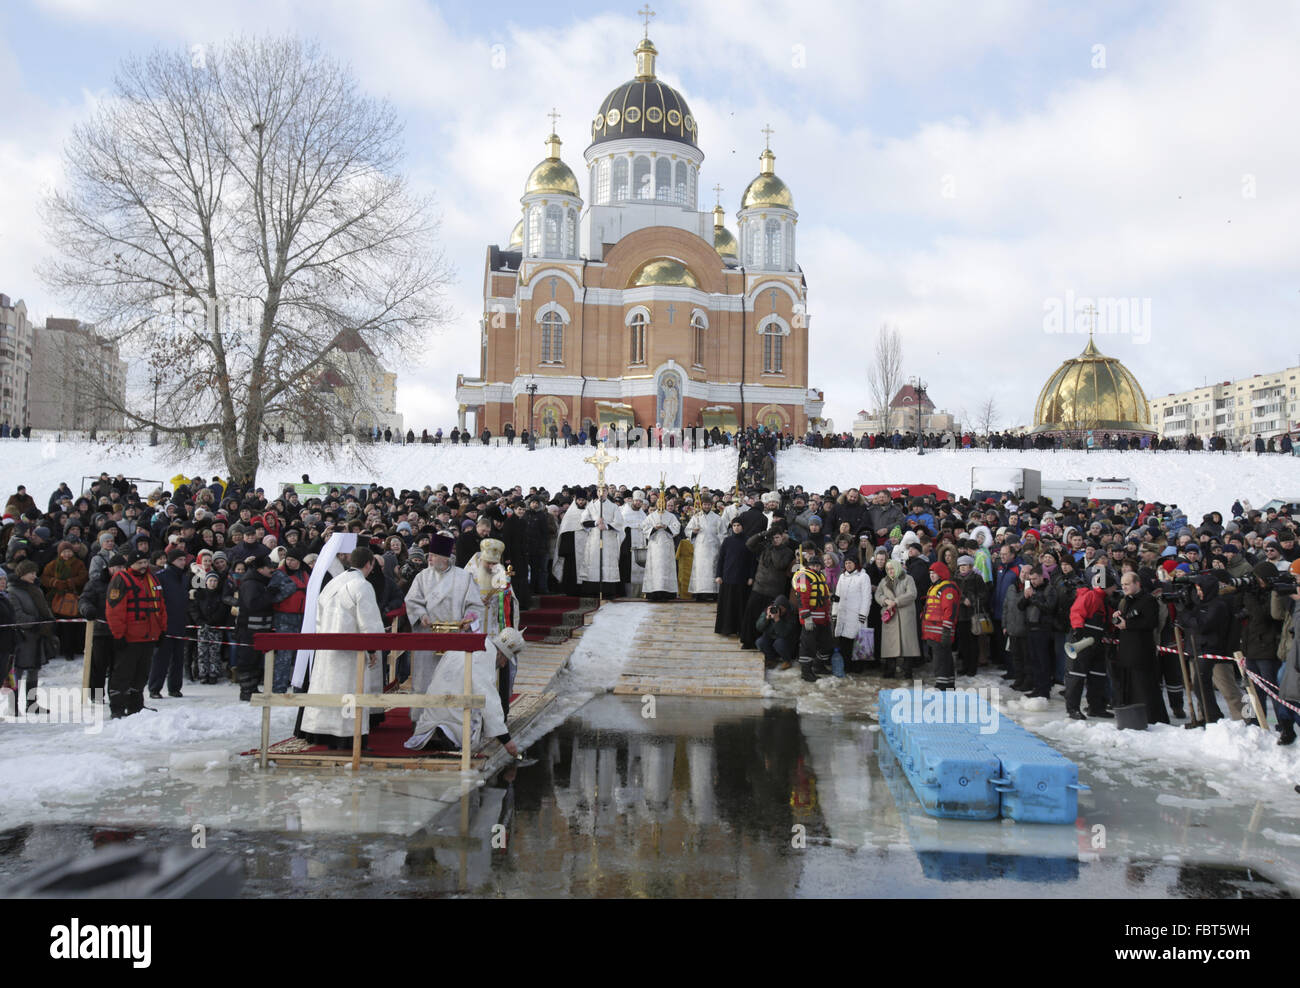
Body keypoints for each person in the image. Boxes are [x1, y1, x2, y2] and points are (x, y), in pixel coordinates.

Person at [297, 546, 387, 748]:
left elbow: (318, 617)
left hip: (326, 648)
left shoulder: (333, 583)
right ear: (369, 564)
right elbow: (369, 623)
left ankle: (325, 734)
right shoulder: (362, 585)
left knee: (327, 689)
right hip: (349, 652)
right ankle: (348, 738)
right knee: (350, 693)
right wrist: (373, 649)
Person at [405, 628, 522, 757]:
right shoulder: (485, 656)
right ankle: (448, 734)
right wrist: (507, 740)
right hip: (454, 716)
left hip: (431, 714)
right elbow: (489, 702)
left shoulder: (467, 644)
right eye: (506, 659)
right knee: (476, 708)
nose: (504, 665)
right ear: (500, 653)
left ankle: (435, 732)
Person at [403, 533, 482, 694]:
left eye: (433, 556)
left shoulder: (464, 577)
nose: (429, 559)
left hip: (455, 635)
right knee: (426, 679)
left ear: (444, 558)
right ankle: (422, 717)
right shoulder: (422, 577)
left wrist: (468, 619)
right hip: (428, 635)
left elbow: (475, 604)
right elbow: (412, 601)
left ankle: (452, 717)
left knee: (452, 679)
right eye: (429, 556)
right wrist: (421, 615)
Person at [105, 551, 167, 718]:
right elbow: (114, 610)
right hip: (129, 637)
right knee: (122, 675)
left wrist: (162, 630)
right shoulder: (120, 580)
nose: (143, 566)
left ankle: (136, 706)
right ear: (130, 565)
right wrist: (118, 635)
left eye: (145, 562)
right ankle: (117, 709)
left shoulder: (152, 579)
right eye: (139, 563)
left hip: (149, 635)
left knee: (141, 674)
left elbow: (160, 606)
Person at [1176, 572, 1244, 722]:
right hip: (1197, 649)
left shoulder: (1222, 603)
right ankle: (1204, 717)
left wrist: (1185, 613)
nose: (1197, 592)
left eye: (1200, 589)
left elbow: (1202, 625)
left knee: (1230, 690)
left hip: (1218, 653)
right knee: (1200, 688)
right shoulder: (1198, 602)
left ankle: (1249, 718)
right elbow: (1187, 623)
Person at [7, 561, 57, 712]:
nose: (34, 576)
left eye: (35, 573)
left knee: (34, 669)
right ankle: (13, 706)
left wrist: (47, 622)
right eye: (31, 573)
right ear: (22, 573)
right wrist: (36, 623)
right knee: (18, 671)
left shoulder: (36, 590)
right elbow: (17, 615)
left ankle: (32, 704)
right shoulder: (13, 591)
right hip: (22, 637)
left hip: (37, 636)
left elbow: (44, 608)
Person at [1113, 570, 1161, 721]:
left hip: (1142, 649)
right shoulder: (1126, 600)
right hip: (1127, 648)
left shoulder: (1148, 600)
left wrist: (1128, 624)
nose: (1124, 587)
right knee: (1129, 684)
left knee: (1143, 685)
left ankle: (1150, 717)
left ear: (1137, 584)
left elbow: (1151, 622)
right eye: (1122, 584)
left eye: (1127, 584)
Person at [1065, 570, 1113, 720]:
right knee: (1077, 675)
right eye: (1113, 586)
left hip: (1097, 642)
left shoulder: (1105, 600)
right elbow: (1077, 611)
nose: (1115, 589)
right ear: (1107, 586)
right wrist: (1078, 628)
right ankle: (1073, 709)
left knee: (1097, 675)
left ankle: (1096, 707)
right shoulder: (1091, 595)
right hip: (1083, 641)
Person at [740, 522, 794, 649]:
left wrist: (773, 548)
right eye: (773, 537)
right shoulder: (765, 546)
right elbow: (749, 544)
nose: (775, 540)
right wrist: (763, 534)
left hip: (773, 591)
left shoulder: (787, 551)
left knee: (767, 618)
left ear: (782, 537)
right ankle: (748, 641)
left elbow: (779, 565)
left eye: (777, 537)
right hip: (759, 587)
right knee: (751, 616)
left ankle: (764, 644)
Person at [148, 547, 192, 699]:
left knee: (178, 658)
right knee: (161, 658)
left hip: (180, 622)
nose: (183, 562)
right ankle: (154, 688)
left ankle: (174, 687)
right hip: (165, 623)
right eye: (180, 559)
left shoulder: (185, 577)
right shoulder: (161, 576)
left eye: (184, 559)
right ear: (172, 561)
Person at [233, 554, 277, 701]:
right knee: (247, 661)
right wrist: (269, 595)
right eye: (269, 567)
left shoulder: (261, 581)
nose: (272, 570)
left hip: (259, 629)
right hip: (248, 630)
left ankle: (252, 688)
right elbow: (253, 604)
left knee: (256, 660)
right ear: (260, 569)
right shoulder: (251, 583)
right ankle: (246, 690)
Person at [792, 543, 834, 682]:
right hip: (811, 618)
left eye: (818, 565)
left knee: (825, 643)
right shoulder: (804, 576)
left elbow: (824, 595)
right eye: (814, 565)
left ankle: (819, 666)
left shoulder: (821, 576)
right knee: (808, 645)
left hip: (823, 617)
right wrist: (806, 616)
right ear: (809, 565)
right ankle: (806, 671)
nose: (816, 567)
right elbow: (802, 598)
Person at [41, 541, 88, 660]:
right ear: (60, 553)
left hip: (73, 598)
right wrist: (55, 583)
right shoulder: (53, 564)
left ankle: (75, 649)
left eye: (69, 551)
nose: (67, 554)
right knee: (62, 627)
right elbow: (45, 578)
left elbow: (83, 577)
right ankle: (64, 650)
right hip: (57, 599)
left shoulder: (79, 564)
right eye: (64, 552)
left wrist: (70, 583)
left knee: (74, 626)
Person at [1018, 564, 1058, 699]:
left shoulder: (1049, 589)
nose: (1033, 581)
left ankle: (1044, 690)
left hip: (1043, 630)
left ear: (1041, 577)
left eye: (1035, 579)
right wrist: (1026, 597)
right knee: (1033, 660)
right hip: (1030, 628)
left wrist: (1034, 598)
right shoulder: (1031, 589)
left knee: (1043, 661)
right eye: (1031, 579)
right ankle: (1037, 687)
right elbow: (1020, 606)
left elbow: (1049, 608)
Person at [875, 558, 920, 679]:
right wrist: (885, 600)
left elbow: (912, 594)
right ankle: (890, 670)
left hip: (905, 616)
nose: (890, 571)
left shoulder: (908, 578)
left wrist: (896, 602)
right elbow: (877, 594)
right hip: (891, 616)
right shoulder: (884, 581)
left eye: (892, 568)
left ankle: (907, 671)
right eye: (888, 569)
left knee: (907, 644)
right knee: (890, 644)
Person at [922, 560, 960, 691]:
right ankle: (948, 684)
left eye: (935, 573)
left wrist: (946, 630)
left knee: (941, 658)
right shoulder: (935, 587)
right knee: (943, 656)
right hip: (933, 631)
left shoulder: (947, 588)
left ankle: (942, 684)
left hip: (941, 631)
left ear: (941, 574)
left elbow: (949, 610)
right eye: (930, 573)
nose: (932, 575)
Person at [714, 517, 755, 636]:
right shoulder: (727, 541)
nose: (736, 528)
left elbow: (752, 561)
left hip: (742, 579)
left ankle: (740, 629)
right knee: (727, 605)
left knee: (741, 605)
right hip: (727, 578)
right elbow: (721, 559)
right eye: (734, 526)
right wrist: (718, 575)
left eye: (738, 525)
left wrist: (751, 577)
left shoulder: (748, 541)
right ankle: (726, 629)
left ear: (743, 527)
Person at [832, 554, 871, 673]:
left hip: (857, 614)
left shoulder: (863, 576)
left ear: (856, 563)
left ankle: (859, 668)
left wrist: (863, 613)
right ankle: (847, 666)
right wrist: (834, 612)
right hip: (843, 613)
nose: (848, 565)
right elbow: (837, 596)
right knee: (845, 641)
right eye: (846, 563)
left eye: (850, 562)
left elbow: (867, 597)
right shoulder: (842, 577)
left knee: (860, 640)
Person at [582, 487, 624, 598]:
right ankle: (593, 590)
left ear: (607, 492)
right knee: (594, 561)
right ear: (597, 492)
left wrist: (606, 526)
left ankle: (607, 590)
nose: (602, 493)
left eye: (604, 491)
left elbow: (619, 522)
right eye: (599, 491)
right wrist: (596, 522)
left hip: (609, 539)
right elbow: (583, 521)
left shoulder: (614, 506)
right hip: (595, 538)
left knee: (607, 562)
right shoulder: (591, 506)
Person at [640, 493, 680, 600]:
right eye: (659, 502)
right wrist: (654, 528)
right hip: (655, 546)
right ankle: (653, 593)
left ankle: (667, 593)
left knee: (666, 568)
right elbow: (644, 528)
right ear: (656, 503)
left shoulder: (671, 516)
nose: (661, 504)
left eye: (663, 503)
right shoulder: (651, 516)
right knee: (655, 568)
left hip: (667, 546)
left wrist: (666, 527)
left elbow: (677, 528)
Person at [685, 499, 723, 601]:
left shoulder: (717, 518)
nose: (706, 506)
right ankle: (699, 593)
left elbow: (722, 533)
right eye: (705, 504)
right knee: (700, 570)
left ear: (712, 505)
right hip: (700, 548)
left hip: (713, 547)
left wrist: (721, 544)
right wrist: (693, 531)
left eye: (708, 504)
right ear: (702, 505)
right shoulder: (696, 517)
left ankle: (713, 593)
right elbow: (687, 530)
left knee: (712, 569)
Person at [756, 595, 797, 670]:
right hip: (771, 637)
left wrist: (777, 620)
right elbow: (758, 627)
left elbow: (784, 633)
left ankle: (787, 660)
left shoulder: (791, 614)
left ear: (786, 608)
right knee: (760, 642)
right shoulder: (770, 610)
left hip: (785, 640)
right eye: (778, 608)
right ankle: (771, 659)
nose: (779, 610)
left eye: (781, 608)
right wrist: (766, 618)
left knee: (778, 643)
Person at [619, 491, 649, 597]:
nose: (638, 503)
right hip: (627, 546)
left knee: (640, 567)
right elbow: (622, 527)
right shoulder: (624, 511)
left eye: (640, 501)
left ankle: (639, 593)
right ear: (633, 500)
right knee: (626, 569)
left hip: (640, 546)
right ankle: (627, 593)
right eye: (636, 501)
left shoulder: (642, 514)